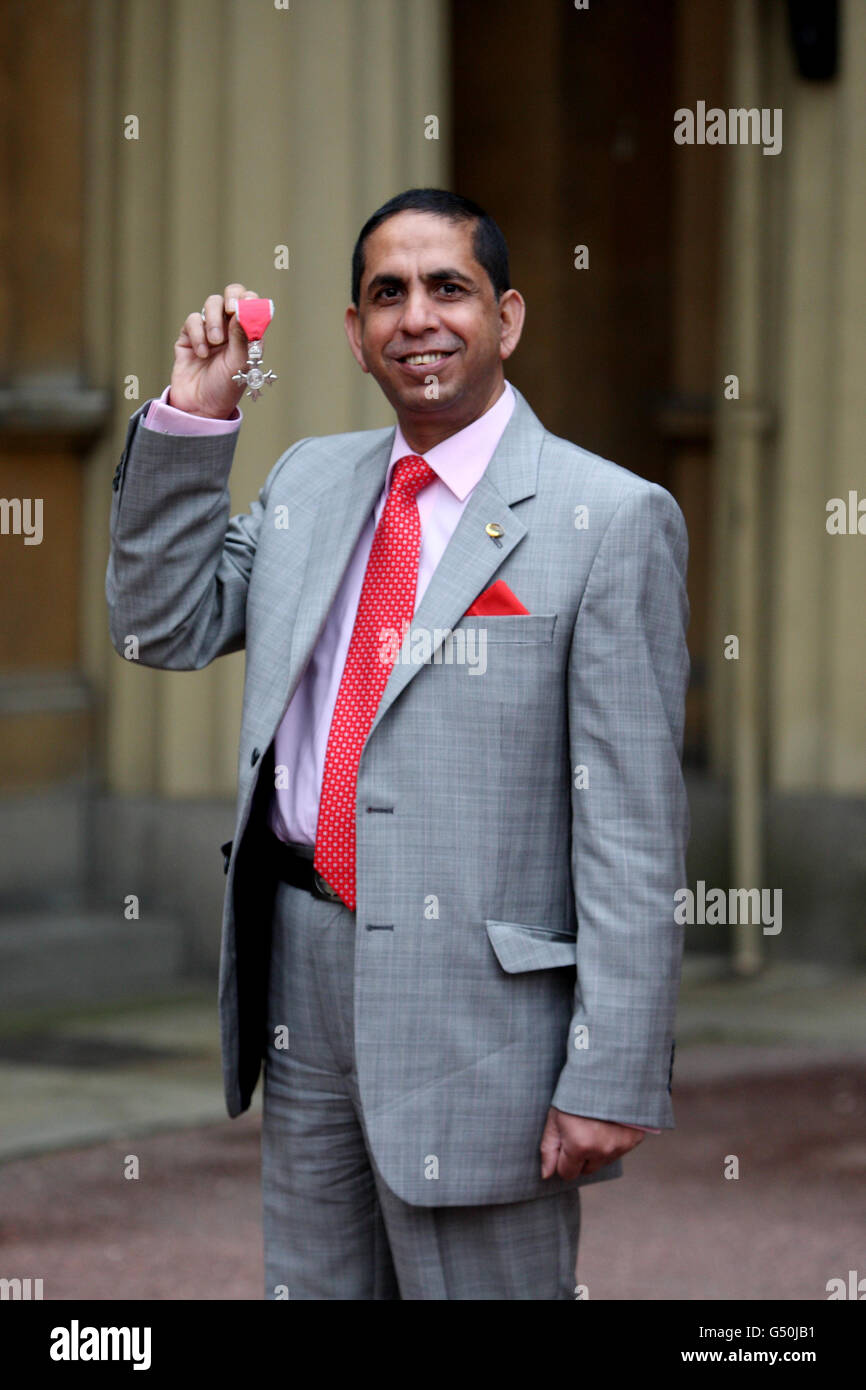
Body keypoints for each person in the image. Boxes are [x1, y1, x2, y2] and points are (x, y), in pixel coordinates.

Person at [106, 187, 690, 1300]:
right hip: (305, 973)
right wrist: (193, 419)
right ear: (354, 333)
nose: (415, 317)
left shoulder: (606, 519)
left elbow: (630, 823)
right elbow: (159, 623)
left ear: (506, 319)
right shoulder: (307, 485)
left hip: (484, 1017)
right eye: (386, 294)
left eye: (447, 289)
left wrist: (611, 1069)